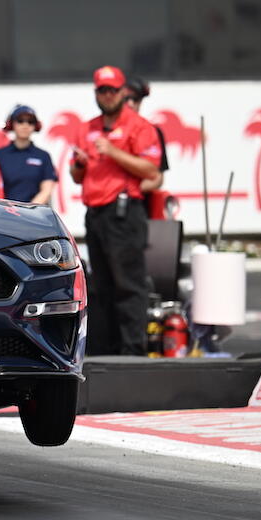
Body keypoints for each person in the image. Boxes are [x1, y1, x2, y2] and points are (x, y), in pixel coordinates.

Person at [70, 66, 162, 356]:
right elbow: (76, 176)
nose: (107, 95)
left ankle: (133, 350)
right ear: (96, 93)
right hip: (95, 213)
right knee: (101, 284)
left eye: (112, 90)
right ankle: (108, 351)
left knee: (129, 284)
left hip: (124, 212)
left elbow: (151, 169)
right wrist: (80, 165)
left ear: (122, 92)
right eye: (102, 90)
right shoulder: (87, 128)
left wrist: (113, 152)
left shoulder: (140, 127)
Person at [0, 105, 56, 203]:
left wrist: (29, 209)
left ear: (35, 126)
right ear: (11, 124)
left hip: (34, 210)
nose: (25, 125)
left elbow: (46, 190)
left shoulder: (43, 156)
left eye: (30, 122)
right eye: (20, 121)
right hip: (3, 210)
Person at [123, 76, 169, 193]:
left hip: (138, 200)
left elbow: (157, 177)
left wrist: (130, 193)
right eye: (125, 99)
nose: (130, 104)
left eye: (136, 99)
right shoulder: (102, 129)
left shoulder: (153, 131)